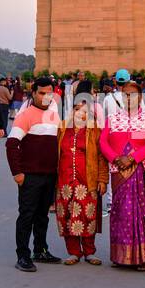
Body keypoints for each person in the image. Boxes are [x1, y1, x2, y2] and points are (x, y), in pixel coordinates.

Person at [99, 75, 145, 270]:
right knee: (120, 213)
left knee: (140, 212)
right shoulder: (113, 118)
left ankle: (141, 257)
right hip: (118, 170)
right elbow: (103, 142)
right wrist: (116, 158)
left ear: (141, 97)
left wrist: (133, 158)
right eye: (125, 94)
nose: (128, 98)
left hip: (140, 169)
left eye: (133, 95)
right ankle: (121, 256)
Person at [6, 76, 61, 271]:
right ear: (34, 93)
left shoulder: (56, 115)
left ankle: (40, 249)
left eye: (49, 93)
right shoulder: (26, 115)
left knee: (42, 216)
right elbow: (12, 144)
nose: (46, 97)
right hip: (29, 176)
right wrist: (17, 173)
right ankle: (23, 255)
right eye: (41, 93)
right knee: (27, 215)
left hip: (49, 175)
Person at [55, 91, 108, 264]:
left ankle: (89, 252)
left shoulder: (94, 131)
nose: (79, 113)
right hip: (65, 181)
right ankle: (73, 252)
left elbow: (101, 157)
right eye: (76, 109)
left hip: (87, 180)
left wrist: (102, 179)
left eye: (83, 110)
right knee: (67, 216)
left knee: (88, 215)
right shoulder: (63, 129)